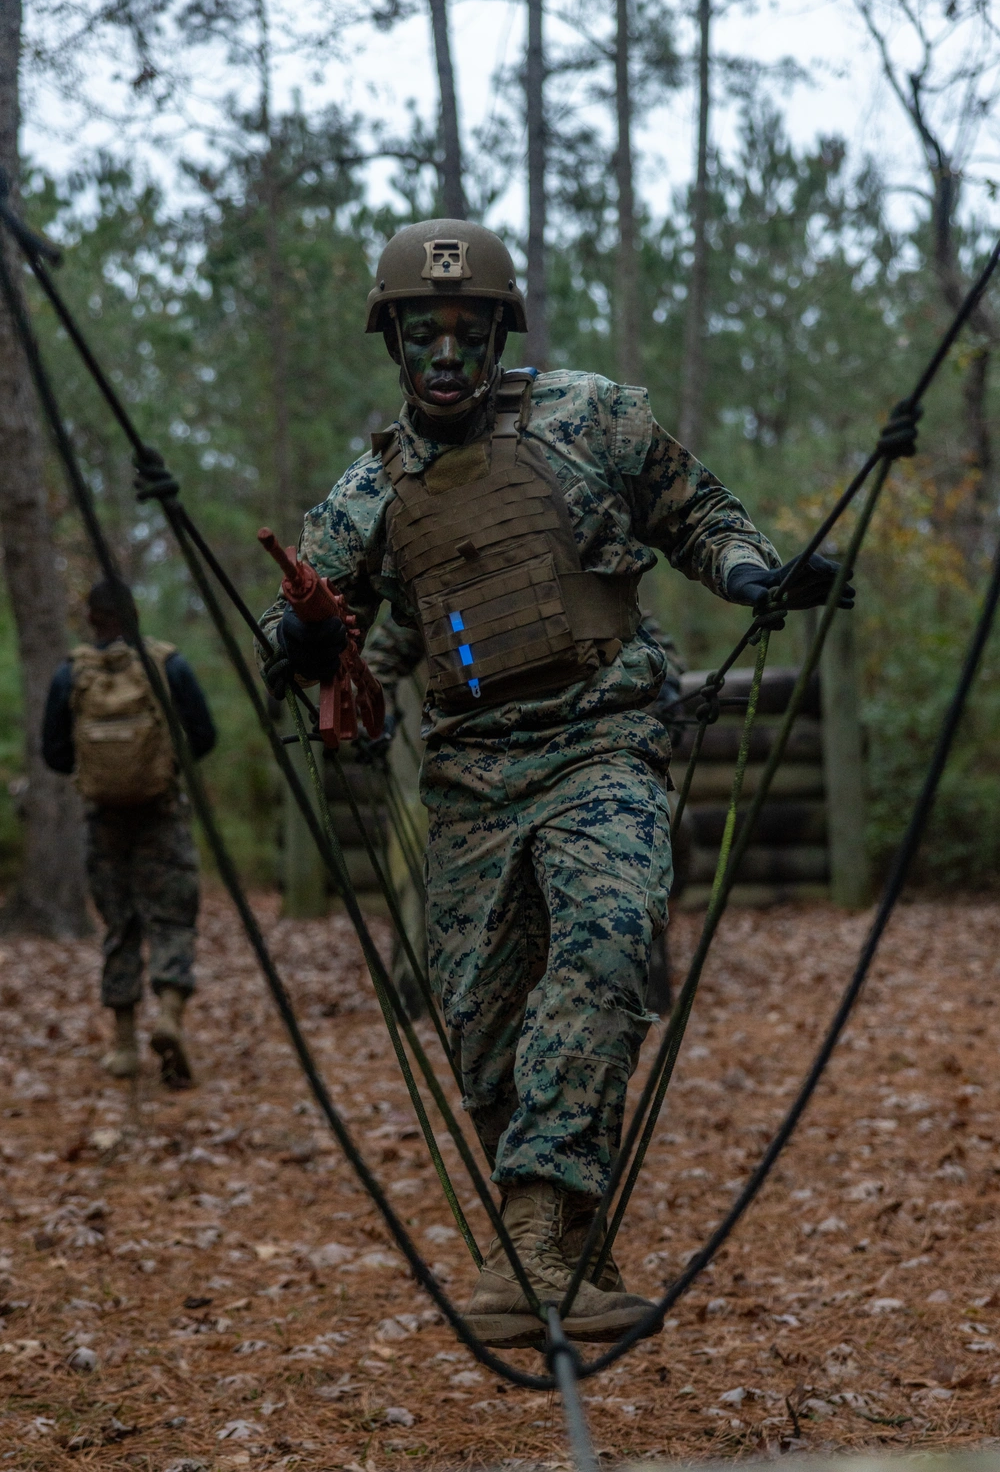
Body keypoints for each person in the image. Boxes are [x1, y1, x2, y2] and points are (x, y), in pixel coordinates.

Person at [256, 218, 857, 1348]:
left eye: (465, 330)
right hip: (471, 772)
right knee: (482, 1021)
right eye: (422, 333)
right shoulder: (366, 492)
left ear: (499, 334)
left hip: (601, 737)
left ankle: (530, 1239)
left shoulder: (595, 416)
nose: (445, 355)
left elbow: (701, 516)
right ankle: (556, 1253)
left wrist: (758, 577)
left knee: (607, 935)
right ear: (393, 343)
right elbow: (304, 613)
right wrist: (292, 642)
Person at [42, 579, 216, 1087]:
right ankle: (168, 1018)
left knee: (120, 925)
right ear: (134, 613)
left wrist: (97, 771)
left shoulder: (71, 674)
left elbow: (53, 754)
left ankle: (122, 1046)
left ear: (93, 618)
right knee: (173, 920)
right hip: (162, 814)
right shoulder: (167, 665)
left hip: (104, 821)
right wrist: (162, 767)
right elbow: (204, 735)